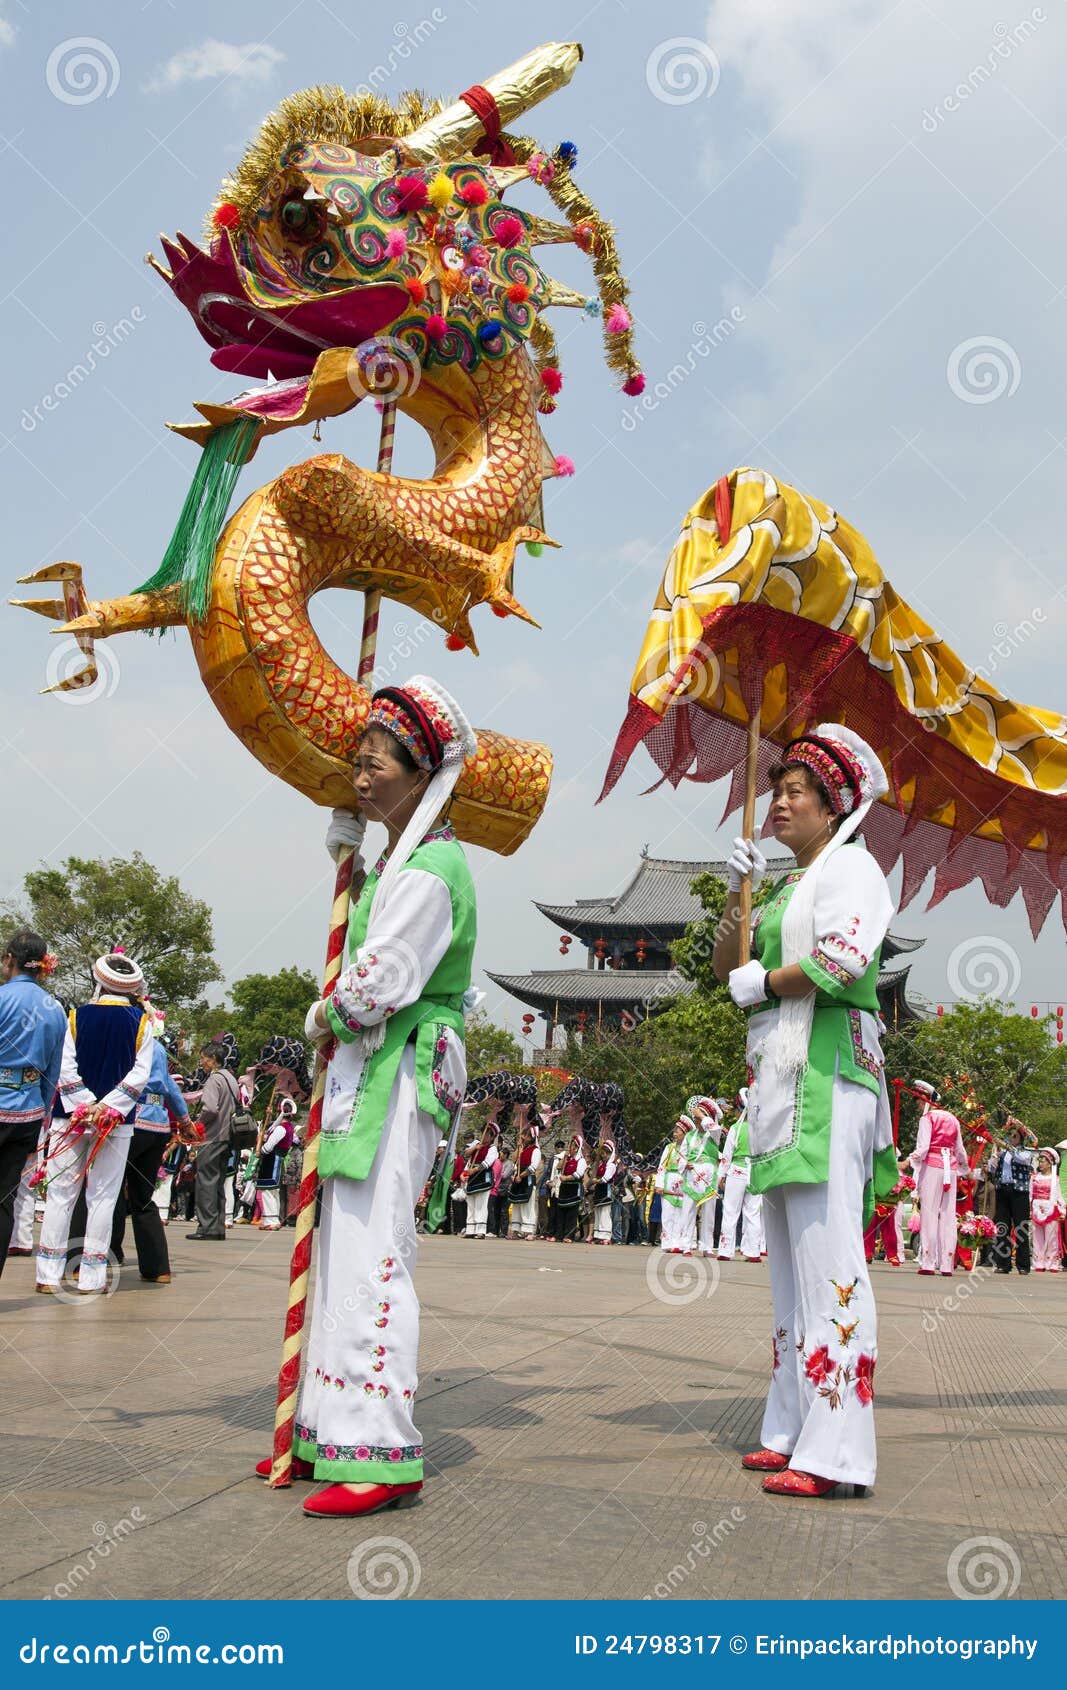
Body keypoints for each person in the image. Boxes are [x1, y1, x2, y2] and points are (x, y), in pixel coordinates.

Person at [257, 675, 477, 1520]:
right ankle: (327, 1431)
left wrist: (321, 1012)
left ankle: (382, 1452)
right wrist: (345, 863)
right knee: (343, 1252)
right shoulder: (399, 863)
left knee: (374, 1256)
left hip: (398, 1065)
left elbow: (374, 985)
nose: (359, 772)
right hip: (368, 1071)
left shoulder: (432, 868)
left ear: (420, 773)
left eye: (376, 761)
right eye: (357, 759)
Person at [715, 723, 898, 1500]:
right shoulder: (788, 886)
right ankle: (791, 1427)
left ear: (834, 807)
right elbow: (727, 970)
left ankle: (838, 1453)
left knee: (831, 1267)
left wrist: (763, 983)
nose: (779, 802)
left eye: (796, 792)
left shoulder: (853, 866)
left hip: (828, 1072)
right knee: (789, 1272)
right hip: (783, 1083)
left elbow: (841, 961)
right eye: (777, 789)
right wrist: (736, 893)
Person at [35, 952, 155, 1295]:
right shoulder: (142, 1023)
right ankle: (91, 1277)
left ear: (99, 982)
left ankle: (47, 1274)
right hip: (117, 1123)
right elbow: (140, 1074)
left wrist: (85, 1105)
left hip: (69, 1117)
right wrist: (108, 1108)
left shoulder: (75, 1017)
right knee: (103, 1196)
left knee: (60, 1192)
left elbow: (63, 1066)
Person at [0, 932, 67, 1277]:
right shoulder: (54, 1009)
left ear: (8, 958)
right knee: (4, 1200)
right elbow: (53, 1072)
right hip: (27, 1113)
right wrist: (41, 1116)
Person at [126, 1023, 190, 1282]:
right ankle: (158, 1268)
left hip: (130, 1120)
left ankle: (95, 1258)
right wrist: (184, 1119)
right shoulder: (160, 1049)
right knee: (143, 1197)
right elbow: (170, 1087)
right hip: (158, 1124)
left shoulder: (128, 1043)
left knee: (106, 1192)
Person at [905, 1081, 969, 1276]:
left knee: (930, 1214)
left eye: (917, 1100)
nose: (916, 1104)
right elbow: (960, 1150)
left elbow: (923, 1148)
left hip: (933, 1167)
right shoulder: (953, 1119)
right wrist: (965, 1168)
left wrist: (908, 1161)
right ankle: (947, 1264)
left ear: (924, 1099)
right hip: (950, 1168)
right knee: (948, 1216)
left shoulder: (927, 1118)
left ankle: (928, 1262)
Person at [188, 1040, 240, 1241]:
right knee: (218, 1182)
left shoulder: (214, 1080)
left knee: (205, 1182)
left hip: (211, 1136)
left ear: (213, 1059)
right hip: (227, 1137)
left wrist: (197, 1124)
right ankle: (217, 1227)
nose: (201, 1062)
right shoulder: (231, 1079)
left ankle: (207, 1227)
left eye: (203, 1058)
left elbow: (210, 1108)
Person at [717, 1097, 764, 1263]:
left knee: (730, 1211)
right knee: (752, 1213)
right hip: (754, 1173)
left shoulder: (735, 1129)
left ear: (740, 1110)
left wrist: (721, 1176)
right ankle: (753, 1252)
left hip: (736, 1172)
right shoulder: (760, 1130)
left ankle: (725, 1250)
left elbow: (727, 1156)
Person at [988, 1119, 1036, 1275]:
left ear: (1020, 1138)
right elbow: (992, 1168)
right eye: (1009, 1135)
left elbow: (1023, 1159)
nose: (1011, 1138)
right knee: (1002, 1228)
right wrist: (995, 1150)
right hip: (1003, 1190)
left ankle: (1023, 1265)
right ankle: (1003, 1264)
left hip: (1019, 1192)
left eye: (1014, 1136)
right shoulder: (1002, 1153)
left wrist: (1006, 1145)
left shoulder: (1025, 1151)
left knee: (1021, 1227)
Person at [256, 1097, 297, 1231]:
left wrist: (260, 1150)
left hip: (272, 1160)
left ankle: (271, 1220)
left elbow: (269, 1146)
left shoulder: (281, 1128)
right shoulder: (289, 1127)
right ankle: (273, 1219)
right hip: (278, 1159)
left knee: (268, 1190)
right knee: (273, 1191)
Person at [1030, 1149, 1064, 1273]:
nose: (1041, 1164)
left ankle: (1052, 1262)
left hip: (1051, 1209)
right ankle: (1039, 1261)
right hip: (1037, 1208)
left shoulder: (1055, 1179)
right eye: (1040, 1161)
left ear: (1050, 1163)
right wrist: (1030, 1209)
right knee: (1037, 1238)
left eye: (1043, 1161)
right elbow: (1030, 1195)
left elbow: (1059, 1195)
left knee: (1052, 1238)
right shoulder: (1034, 1178)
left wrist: (1062, 1210)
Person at [655, 1122, 687, 1252]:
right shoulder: (669, 1148)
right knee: (668, 1214)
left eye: (677, 1132)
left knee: (681, 1215)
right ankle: (667, 1243)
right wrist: (659, 1184)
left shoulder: (689, 1148)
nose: (674, 1134)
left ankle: (678, 1243)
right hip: (669, 1181)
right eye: (674, 1132)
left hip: (683, 1183)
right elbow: (662, 1166)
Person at [464, 1122, 499, 1239]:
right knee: (471, 1202)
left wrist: (474, 1170)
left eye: (487, 1134)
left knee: (481, 1204)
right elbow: (466, 1155)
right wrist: (475, 1147)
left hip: (483, 1176)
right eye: (483, 1133)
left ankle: (480, 1230)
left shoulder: (493, 1148)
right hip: (472, 1177)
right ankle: (470, 1229)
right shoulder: (477, 1145)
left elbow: (487, 1162)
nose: (483, 1136)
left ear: (492, 1136)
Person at [508, 1119, 542, 1240]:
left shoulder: (536, 1150)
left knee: (528, 1205)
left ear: (532, 1137)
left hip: (526, 1179)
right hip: (517, 1179)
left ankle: (529, 1231)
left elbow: (533, 1166)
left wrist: (521, 1175)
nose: (523, 1136)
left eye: (525, 1135)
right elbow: (515, 1162)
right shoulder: (522, 1149)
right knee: (517, 1204)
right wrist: (514, 1174)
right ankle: (516, 1230)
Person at [551, 1131, 587, 1242]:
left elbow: (578, 1174)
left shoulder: (581, 1161)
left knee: (572, 1213)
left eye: (572, 1146)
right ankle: (558, 1235)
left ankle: (569, 1235)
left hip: (574, 1188)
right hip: (564, 1188)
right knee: (560, 1211)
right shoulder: (568, 1158)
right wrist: (565, 1158)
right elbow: (558, 1167)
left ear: (577, 1148)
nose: (570, 1148)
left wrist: (566, 1178)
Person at [591, 1130, 618, 1244]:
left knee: (605, 1212)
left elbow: (606, 1178)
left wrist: (596, 1180)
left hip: (606, 1189)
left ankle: (606, 1235)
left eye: (604, 1154)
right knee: (598, 1211)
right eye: (601, 1154)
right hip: (599, 1189)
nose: (603, 1156)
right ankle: (598, 1234)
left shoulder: (611, 1165)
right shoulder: (602, 1164)